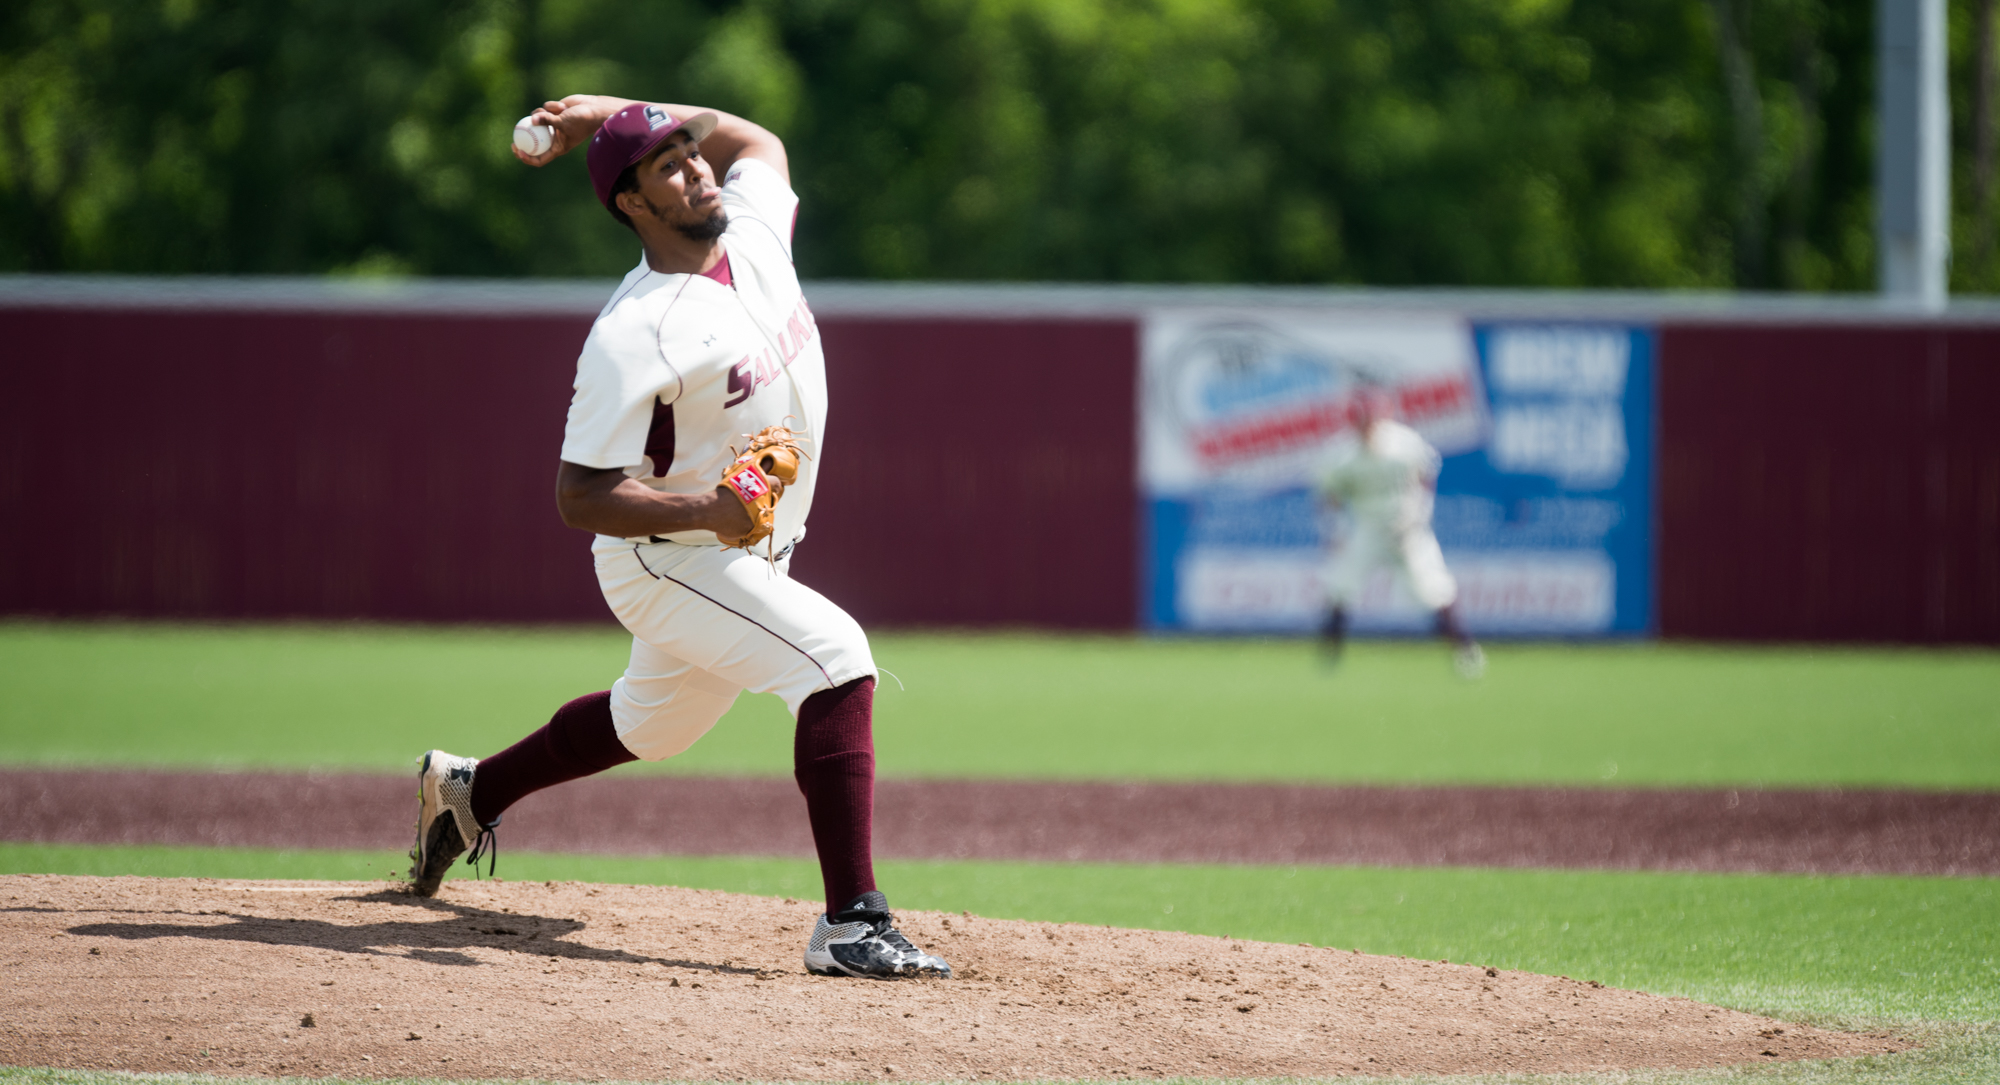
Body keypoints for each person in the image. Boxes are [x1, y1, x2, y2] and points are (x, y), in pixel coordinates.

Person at [406, 94, 951, 980]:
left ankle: (467, 792)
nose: (698, 169)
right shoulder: (636, 329)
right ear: (631, 204)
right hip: (666, 559)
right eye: (668, 165)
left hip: (748, 548)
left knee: (647, 725)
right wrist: (704, 510)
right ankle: (852, 922)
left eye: (692, 153)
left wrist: (615, 109)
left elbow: (759, 140)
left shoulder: (755, 235)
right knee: (835, 656)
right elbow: (578, 494)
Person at [1316, 389, 1485, 678]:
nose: (1367, 425)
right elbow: (1329, 495)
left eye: (1371, 419)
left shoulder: (1405, 444)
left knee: (1434, 589)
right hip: (1368, 528)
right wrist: (1336, 530)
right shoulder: (1340, 454)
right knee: (1339, 587)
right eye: (1361, 420)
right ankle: (1328, 660)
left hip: (1408, 530)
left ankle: (1466, 653)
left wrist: (1421, 512)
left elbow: (1426, 475)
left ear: (1383, 418)